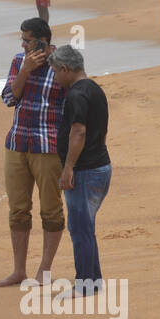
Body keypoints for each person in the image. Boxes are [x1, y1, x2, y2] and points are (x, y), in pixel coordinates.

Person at [0, 18, 65, 288]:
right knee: (18, 210)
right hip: (18, 142)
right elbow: (8, 98)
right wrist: (25, 70)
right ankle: (18, 271)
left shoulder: (62, 61)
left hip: (48, 147)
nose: (23, 45)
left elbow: (74, 105)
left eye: (28, 40)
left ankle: (44, 270)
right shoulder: (18, 61)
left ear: (43, 41)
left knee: (52, 211)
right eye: (22, 40)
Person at [48, 44, 110, 293]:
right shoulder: (95, 89)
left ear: (65, 68)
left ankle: (85, 283)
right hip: (100, 165)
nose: (54, 77)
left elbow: (79, 131)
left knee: (80, 228)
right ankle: (93, 280)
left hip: (85, 170)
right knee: (85, 226)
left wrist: (68, 168)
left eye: (54, 72)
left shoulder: (75, 95)